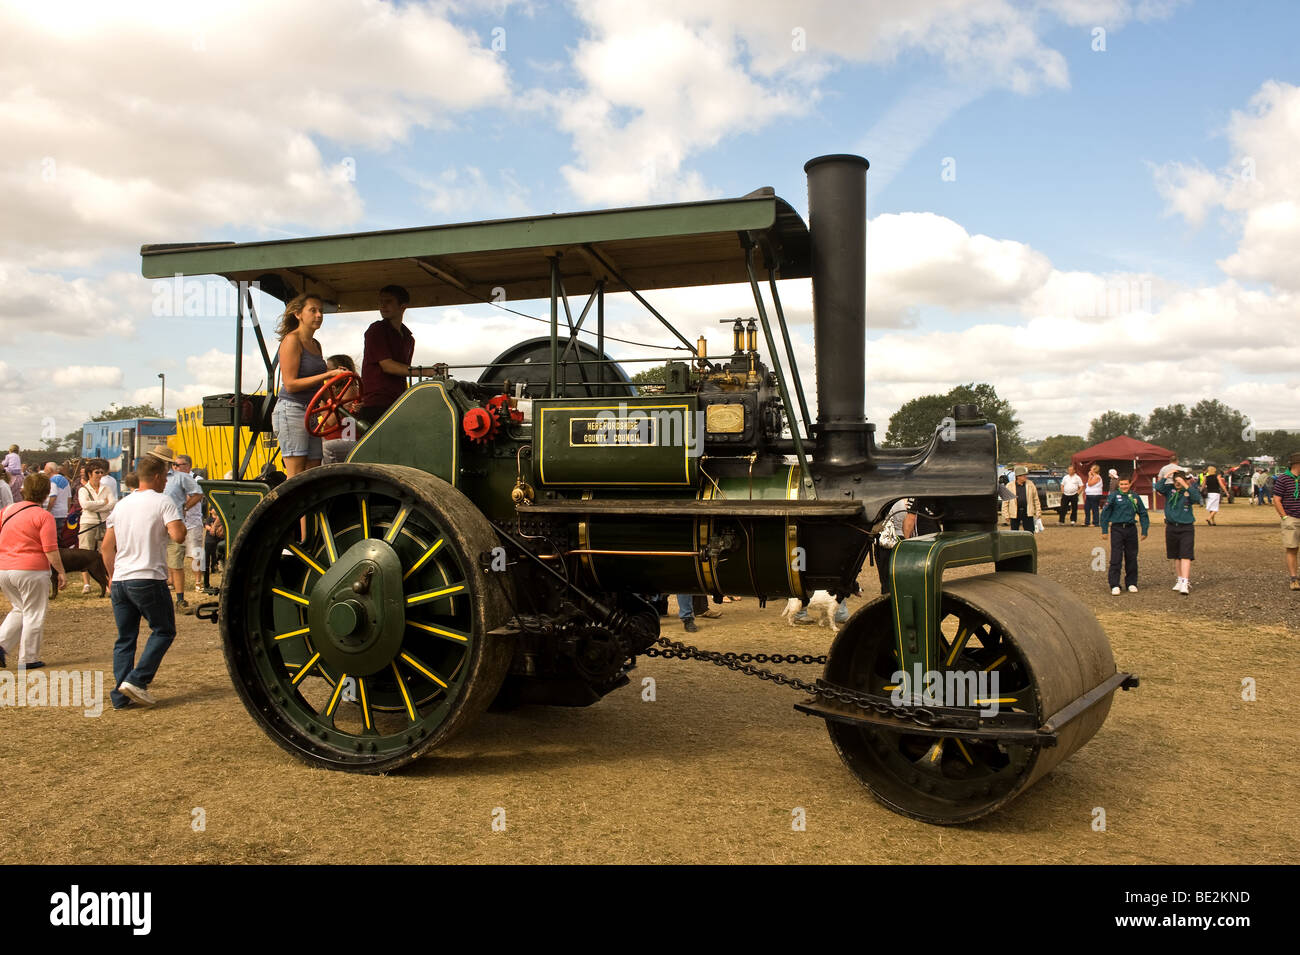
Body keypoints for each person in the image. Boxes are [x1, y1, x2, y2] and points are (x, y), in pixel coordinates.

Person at [101, 454, 186, 708]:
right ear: (159, 477)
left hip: (120, 580)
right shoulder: (163, 501)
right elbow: (178, 536)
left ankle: (120, 696)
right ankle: (137, 680)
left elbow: (106, 547)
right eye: (165, 478)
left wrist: (111, 576)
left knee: (125, 638)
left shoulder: (122, 504)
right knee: (164, 630)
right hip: (148, 577)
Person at [0, 472, 67, 670]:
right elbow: (50, 548)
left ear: (23, 490)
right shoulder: (43, 516)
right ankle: (28, 657)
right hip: (31, 569)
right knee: (34, 613)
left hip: (5, 568)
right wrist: (61, 571)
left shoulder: (6, 511)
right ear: (46, 494)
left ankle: (1, 645)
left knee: (19, 608)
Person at [273, 293, 342, 479]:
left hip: (310, 412)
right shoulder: (291, 340)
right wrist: (329, 374)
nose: (319, 315)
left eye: (321, 311)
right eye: (313, 310)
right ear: (298, 314)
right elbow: (291, 384)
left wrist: (334, 402)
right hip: (291, 411)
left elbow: (320, 384)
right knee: (295, 475)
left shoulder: (315, 344)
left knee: (313, 471)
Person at [150, 447, 202, 615]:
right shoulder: (149, 478)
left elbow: (198, 493)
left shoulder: (181, 478)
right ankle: (155, 600)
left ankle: (180, 600)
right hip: (153, 524)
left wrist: (184, 507)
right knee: (154, 561)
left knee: (176, 562)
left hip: (174, 524)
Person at [359, 285, 420, 424]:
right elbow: (388, 366)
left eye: (388, 301)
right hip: (376, 403)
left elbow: (403, 370)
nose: (383, 306)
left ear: (403, 307)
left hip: (397, 402)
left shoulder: (409, 338)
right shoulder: (376, 330)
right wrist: (427, 371)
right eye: (381, 302)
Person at [1153, 468, 1201, 595]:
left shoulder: (1188, 491)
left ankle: (1185, 582)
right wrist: (1167, 476)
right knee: (1176, 555)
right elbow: (1158, 487)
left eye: (1179, 480)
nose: (1177, 483)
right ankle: (1179, 579)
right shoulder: (1169, 490)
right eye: (1175, 480)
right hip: (1171, 526)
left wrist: (1185, 485)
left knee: (1186, 555)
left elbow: (1197, 498)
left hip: (1186, 527)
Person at [1100, 475, 1149, 594]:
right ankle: (1114, 584)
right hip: (1117, 529)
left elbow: (1143, 513)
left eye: (1126, 484)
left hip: (1131, 529)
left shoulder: (1134, 497)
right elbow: (1105, 513)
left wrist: (1144, 530)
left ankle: (1131, 583)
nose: (1124, 486)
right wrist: (1104, 530)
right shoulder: (1113, 496)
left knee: (1131, 557)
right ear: (1119, 485)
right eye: (1121, 484)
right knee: (1116, 557)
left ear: (1130, 484)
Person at [77, 460, 117, 593]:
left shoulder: (107, 488)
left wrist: (96, 505)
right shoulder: (83, 490)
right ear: (89, 474)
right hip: (87, 522)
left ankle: (107, 582)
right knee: (85, 553)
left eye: (102, 472)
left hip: (103, 522)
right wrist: (102, 503)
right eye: (97, 472)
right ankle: (86, 584)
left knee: (104, 552)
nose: (100, 475)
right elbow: (85, 505)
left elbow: (112, 503)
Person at [318, 354, 362, 465]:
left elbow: (332, 421)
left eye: (329, 370)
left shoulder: (350, 389)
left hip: (348, 439)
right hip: (332, 438)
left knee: (325, 448)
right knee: (310, 448)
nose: (326, 374)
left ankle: (330, 477)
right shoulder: (331, 390)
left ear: (340, 370)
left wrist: (321, 401)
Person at [1272, 452, 1300, 592]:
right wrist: (1284, 517)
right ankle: (1294, 578)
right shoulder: (1283, 479)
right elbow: (1276, 499)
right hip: (1291, 518)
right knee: (1292, 548)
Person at [1002, 466, 1041, 532]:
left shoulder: (1030, 484)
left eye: (1026, 475)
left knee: (1030, 532)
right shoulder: (1009, 486)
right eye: (1024, 475)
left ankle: (1029, 542)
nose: (1026, 477)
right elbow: (1005, 501)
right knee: (1014, 532)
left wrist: (1038, 512)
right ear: (1018, 476)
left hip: (1027, 512)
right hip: (1014, 512)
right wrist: (1006, 514)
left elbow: (1036, 500)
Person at [43, 462, 72, 541]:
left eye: (45, 469)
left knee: (52, 537)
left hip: (54, 513)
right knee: (61, 536)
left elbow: (53, 496)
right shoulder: (65, 480)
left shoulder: (52, 481)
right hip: (63, 512)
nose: (44, 471)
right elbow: (69, 497)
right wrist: (67, 510)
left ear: (50, 470)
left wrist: (48, 510)